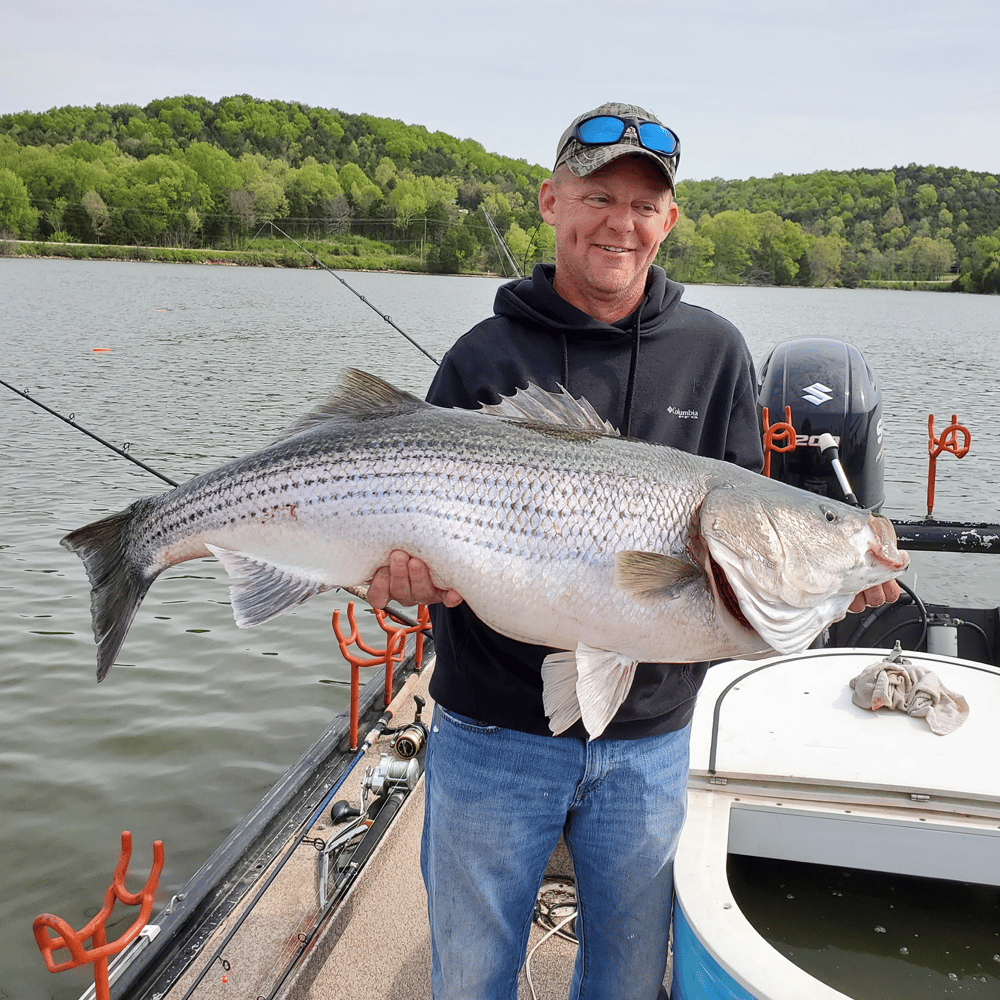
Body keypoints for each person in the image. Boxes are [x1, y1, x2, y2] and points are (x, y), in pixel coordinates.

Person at [367, 102, 899, 1000]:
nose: (621, 223)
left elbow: (747, 532)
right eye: (598, 197)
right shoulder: (480, 356)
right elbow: (405, 531)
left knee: (625, 981)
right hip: (491, 732)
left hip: (649, 742)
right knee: (470, 977)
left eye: (644, 205)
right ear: (551, 201)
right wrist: (399, 581)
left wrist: (830, 577)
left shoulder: (716, 352)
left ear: (669, 220)